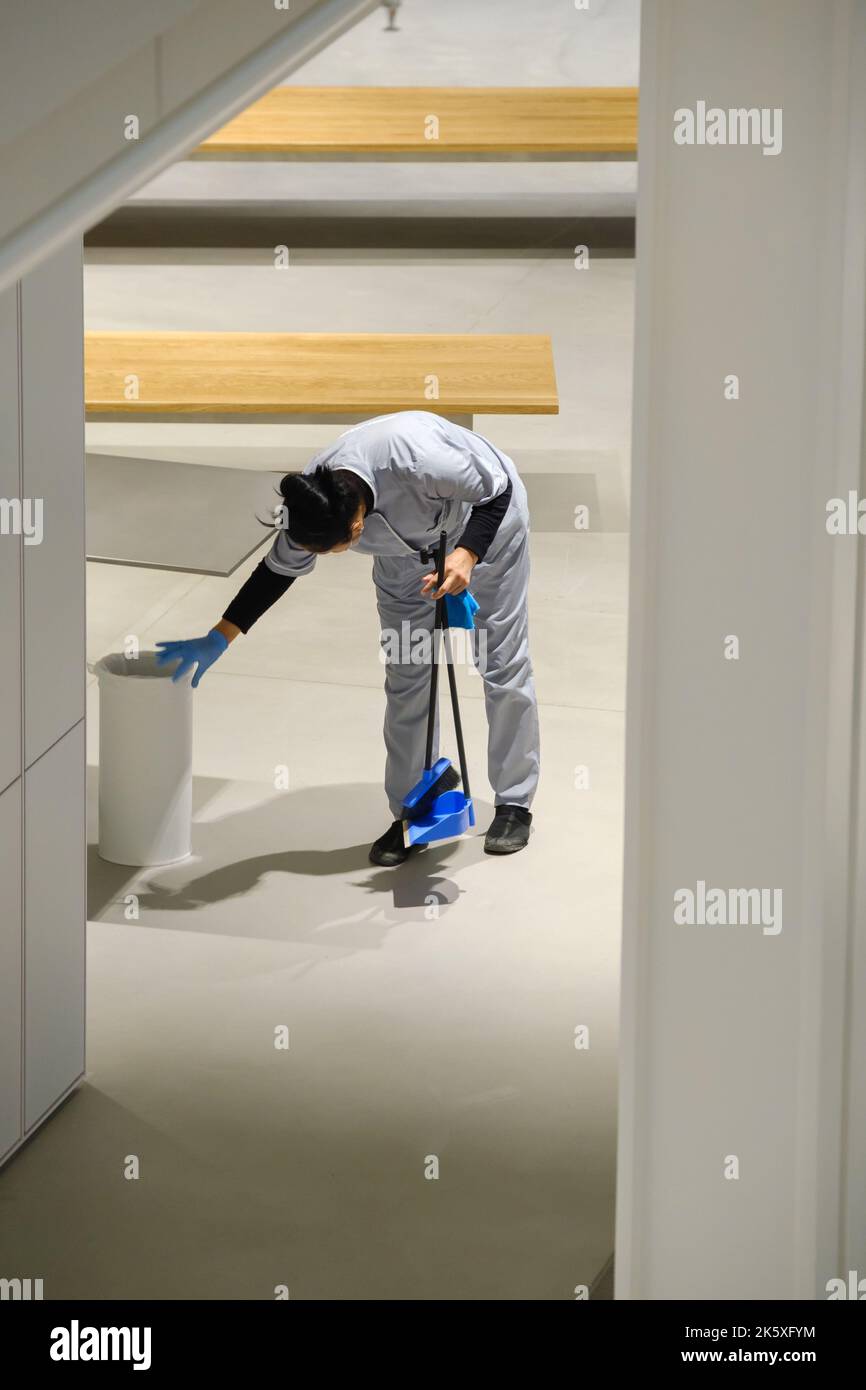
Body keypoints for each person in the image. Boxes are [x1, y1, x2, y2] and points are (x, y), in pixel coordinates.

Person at [157, 411, 539, 862]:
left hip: (486, 530)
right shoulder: (314, 504)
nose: (317, 556)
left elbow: (497, 489)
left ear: (356, 530)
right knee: (406, 673)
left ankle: (514, 802)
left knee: (500, 662)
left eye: (328, 552)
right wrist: (219, 637)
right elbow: (277, 571)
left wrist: (468, 553)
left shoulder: (417, 458)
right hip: (405, 556)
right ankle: (413, 807)